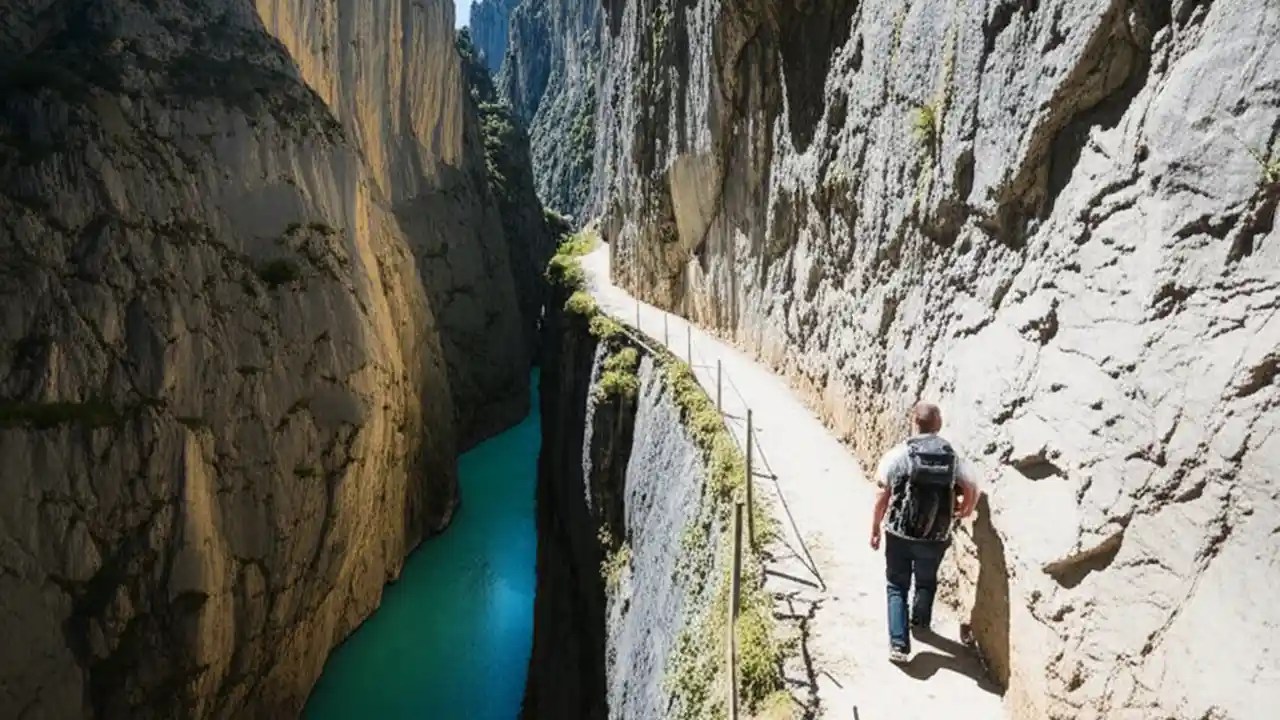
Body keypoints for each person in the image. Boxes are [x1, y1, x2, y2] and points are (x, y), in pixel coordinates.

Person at [869, 402, 980, 664]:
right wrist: (965, 509)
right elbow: (972, 486)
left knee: (897, 585)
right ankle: (920, 621)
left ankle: (899, 645)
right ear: (938, 424)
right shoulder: (952, 456)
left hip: (900, 533)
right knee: (927, 580)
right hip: (936, 536)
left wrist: (875, 527)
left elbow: (881, 494)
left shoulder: (899, 455)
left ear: (913, 422)